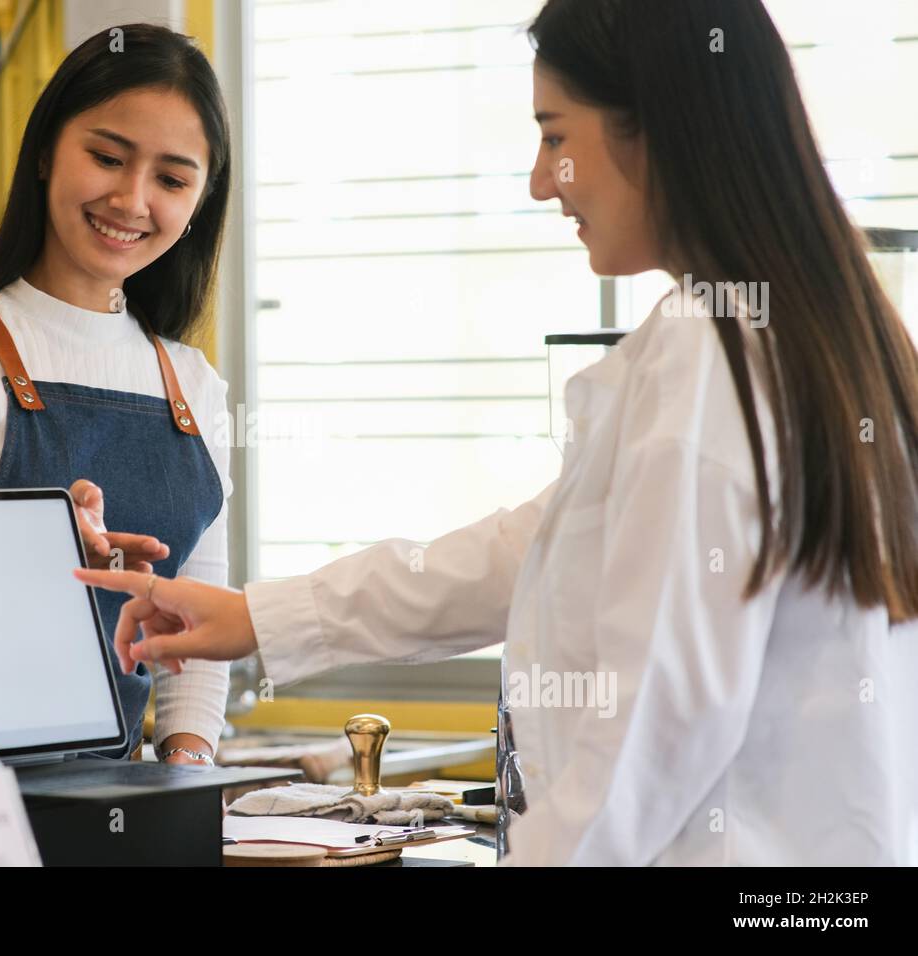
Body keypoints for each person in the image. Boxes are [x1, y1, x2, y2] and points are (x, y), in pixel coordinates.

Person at [77, 0, 918, 863]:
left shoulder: (711, 363)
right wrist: (260, 615)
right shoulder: (823, 339)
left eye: (557, 136)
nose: (539, 178)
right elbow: (525, 555)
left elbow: (650, 736)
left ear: (656, 127)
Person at [0, 24, 234, 764]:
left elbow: (200, 632)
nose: (131, 200)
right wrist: (34, 549)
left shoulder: (194, 384)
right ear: (45, 152)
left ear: (198, 203)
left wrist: (185, 776)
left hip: (124, 802)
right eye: (106, 157)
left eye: (171, 179)